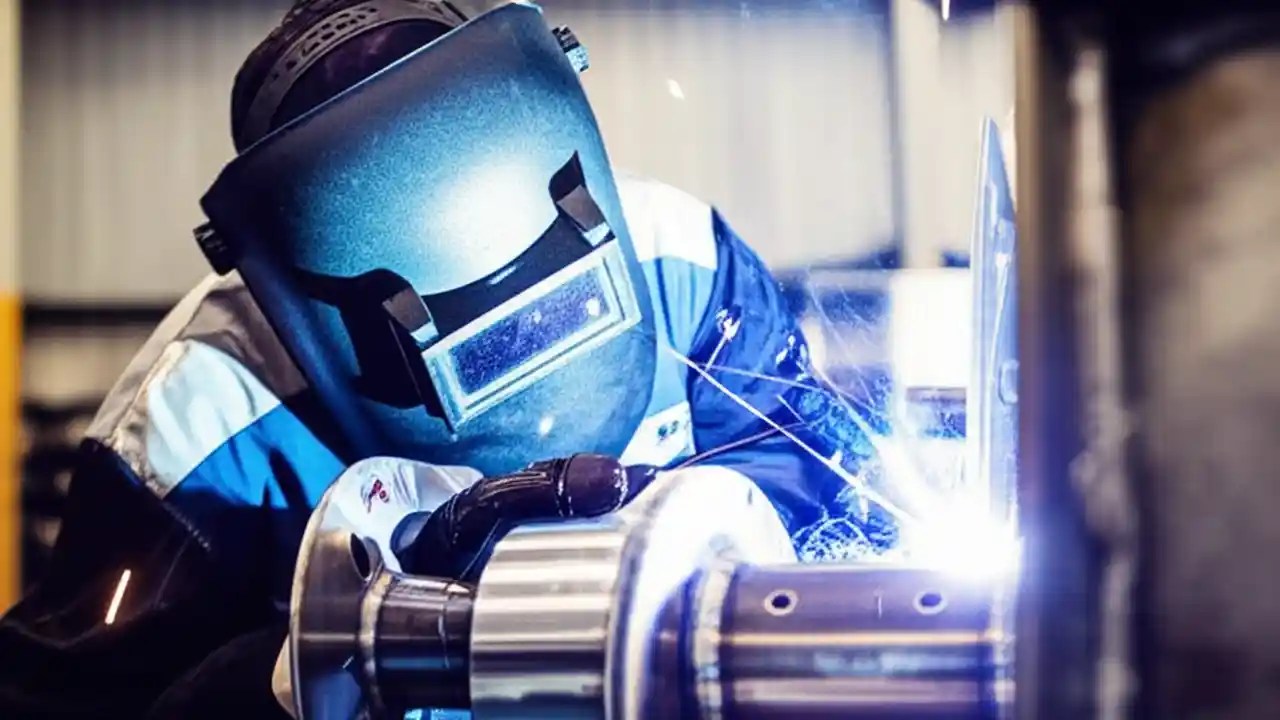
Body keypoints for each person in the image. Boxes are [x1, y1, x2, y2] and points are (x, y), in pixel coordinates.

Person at [0, 1, 892, 717]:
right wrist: (319, 657)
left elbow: (825, 486)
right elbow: (67, 696)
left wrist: (645, 551)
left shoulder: (678, 259)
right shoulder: (201, 420)